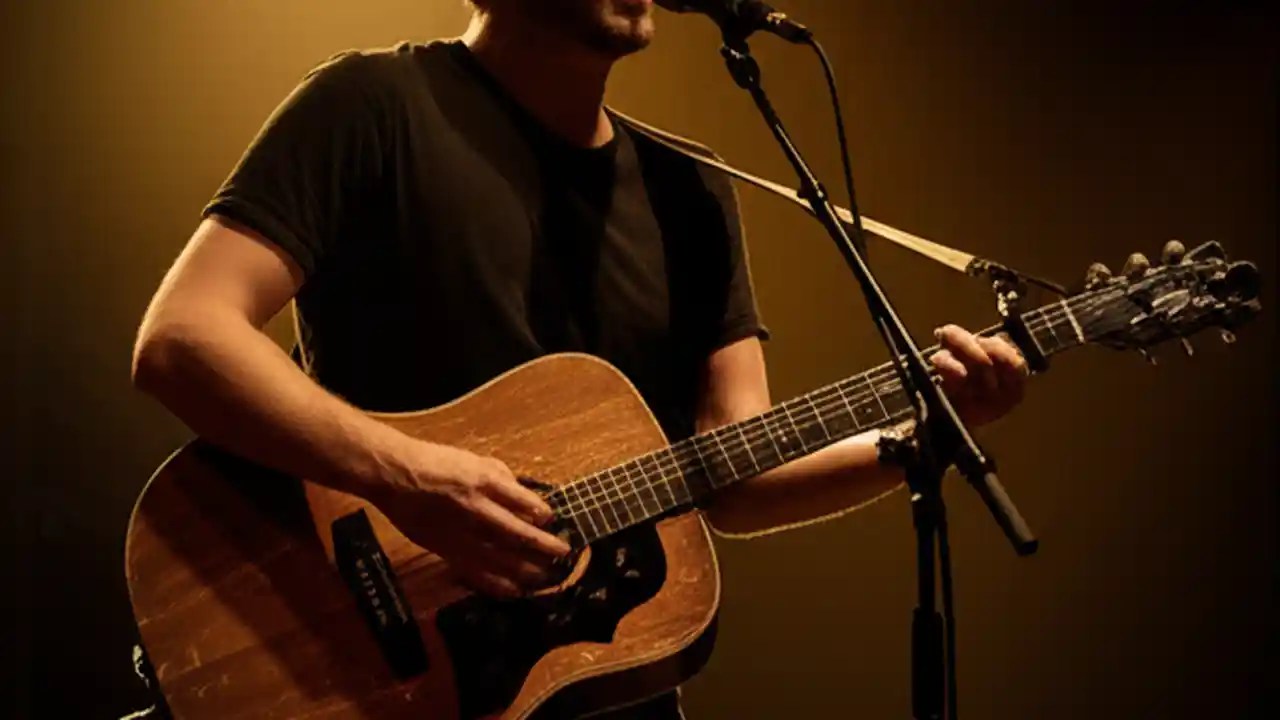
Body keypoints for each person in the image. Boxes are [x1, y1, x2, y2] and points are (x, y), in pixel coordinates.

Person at [131, 0, 1027, 716]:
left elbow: (734, 473)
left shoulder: (693, 192)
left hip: (598, 688)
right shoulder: (370, 105)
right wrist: (410, 479)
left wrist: (918, 437)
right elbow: (184, 338)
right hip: (356, 651)